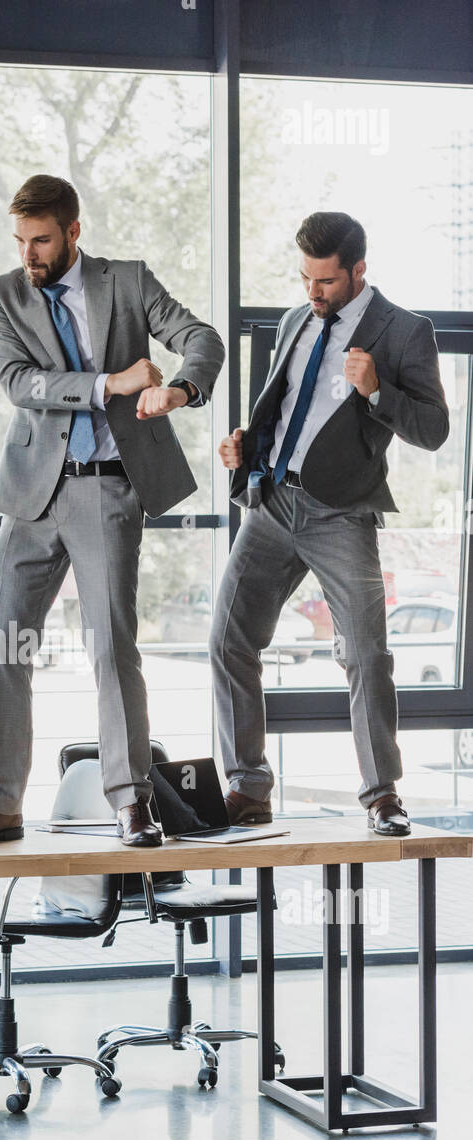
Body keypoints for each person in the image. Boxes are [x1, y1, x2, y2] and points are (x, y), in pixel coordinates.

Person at [0, 174, 224, 848]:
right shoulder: (1, 294)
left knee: (110, 648)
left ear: (72, 232)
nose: (28, 253)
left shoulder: (125, 281)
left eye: (40, 240)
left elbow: (201, 337)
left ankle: (131, 801)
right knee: (6, 646)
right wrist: (112, 383)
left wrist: (179, 390)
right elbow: (17, 383)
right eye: (20, 240)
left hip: (106, 489)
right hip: (31, 495)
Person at [212, 211, 449, 836]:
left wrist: (376, 391)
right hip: (272, 504)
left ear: (358, 271)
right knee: (230, 640)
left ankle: (382, 797)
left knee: (366, 654)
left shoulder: (404, 331)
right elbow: (283, 406)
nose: (312, 293)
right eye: (305, 279)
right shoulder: (296, 320)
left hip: (343, 514)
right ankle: (248, 787)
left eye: (325, 282)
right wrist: (247, 451)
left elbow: (434, 430)